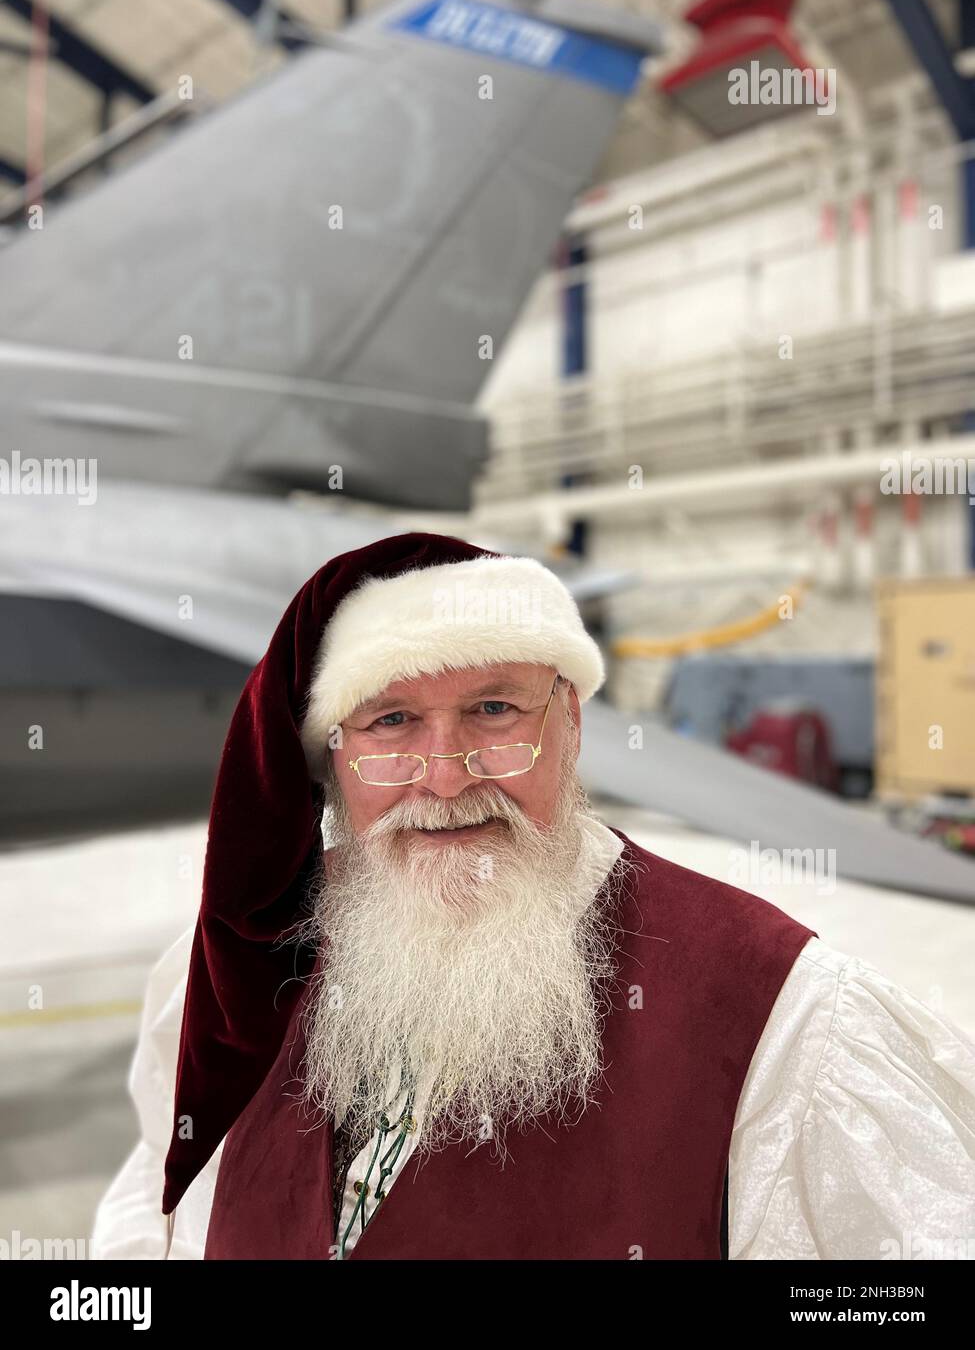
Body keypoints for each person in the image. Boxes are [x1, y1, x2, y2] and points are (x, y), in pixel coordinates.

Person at [92, 532, 975, 1260]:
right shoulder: (240, 975)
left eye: (494, 711)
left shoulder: (784, 1017)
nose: (443, 777)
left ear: (572, 723)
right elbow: (155, 1217)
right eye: (390, 721)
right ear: (332, 758)